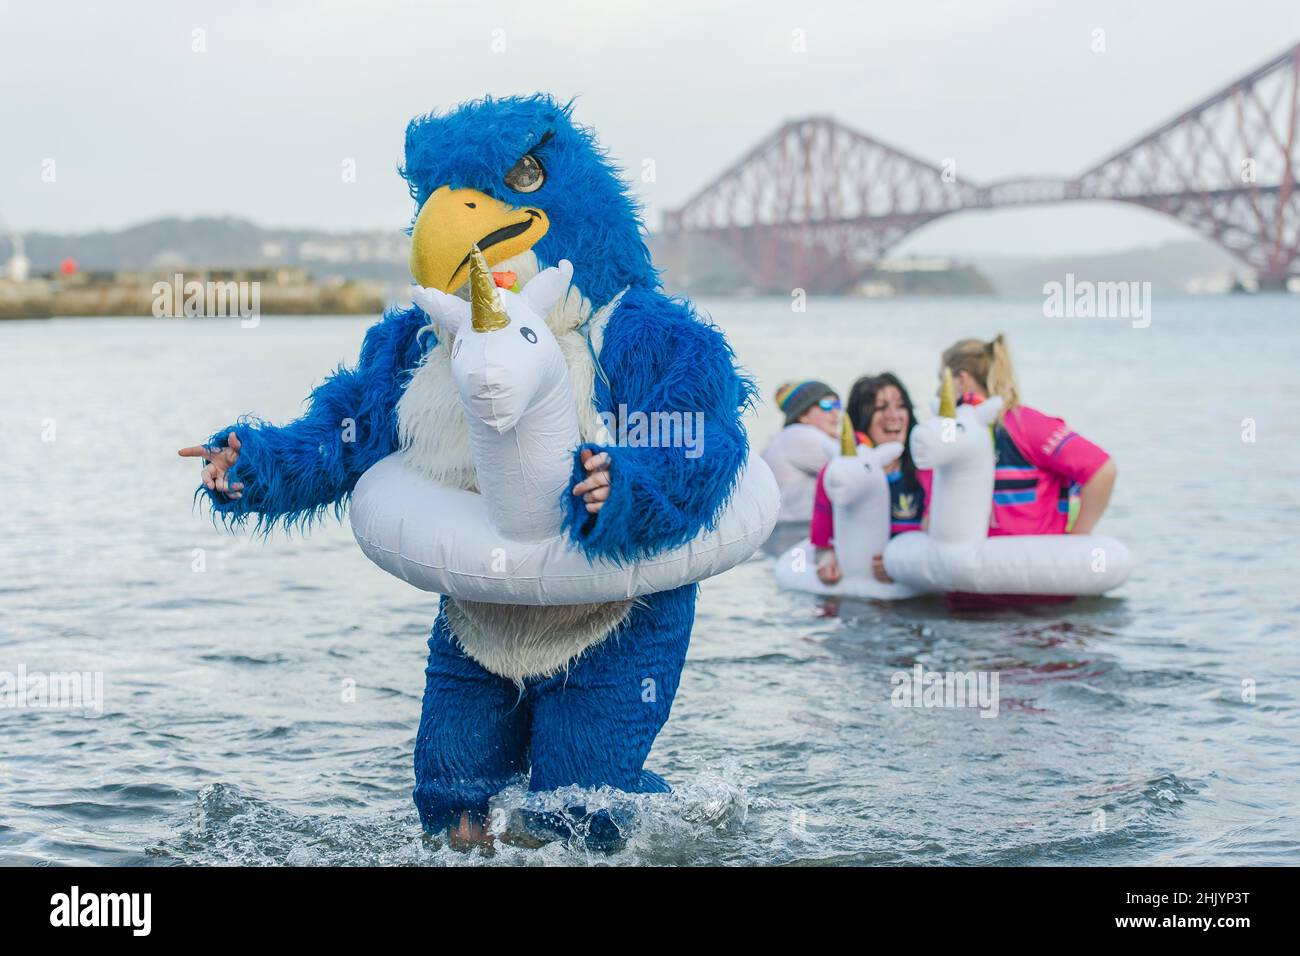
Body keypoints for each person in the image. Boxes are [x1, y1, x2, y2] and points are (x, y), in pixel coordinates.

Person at [942, 333, 1116, 538]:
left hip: (1036, 563)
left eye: (941, 381)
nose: (938, 393)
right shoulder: (957, 435)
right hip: (985, 564)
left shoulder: (1023, 425)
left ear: (962, 380)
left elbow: (1102, 470)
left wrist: (1077, 541)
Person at [811, 373, 930, 584]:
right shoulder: (837, 474)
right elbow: (822, 545)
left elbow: (937, 538)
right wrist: (827, 559)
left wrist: (901, 563)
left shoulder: (926, 469)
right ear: (861, 418)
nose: (893, 415)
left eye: (901, 406)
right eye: (880, 408)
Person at [760, 380, 843, 524]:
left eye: (837, 405)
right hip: (794, 534)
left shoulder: (786, 437)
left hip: (786, 533)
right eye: (826, 406)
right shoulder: (799, 434)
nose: (835, 413)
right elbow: (853, 468)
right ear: (803, 415)